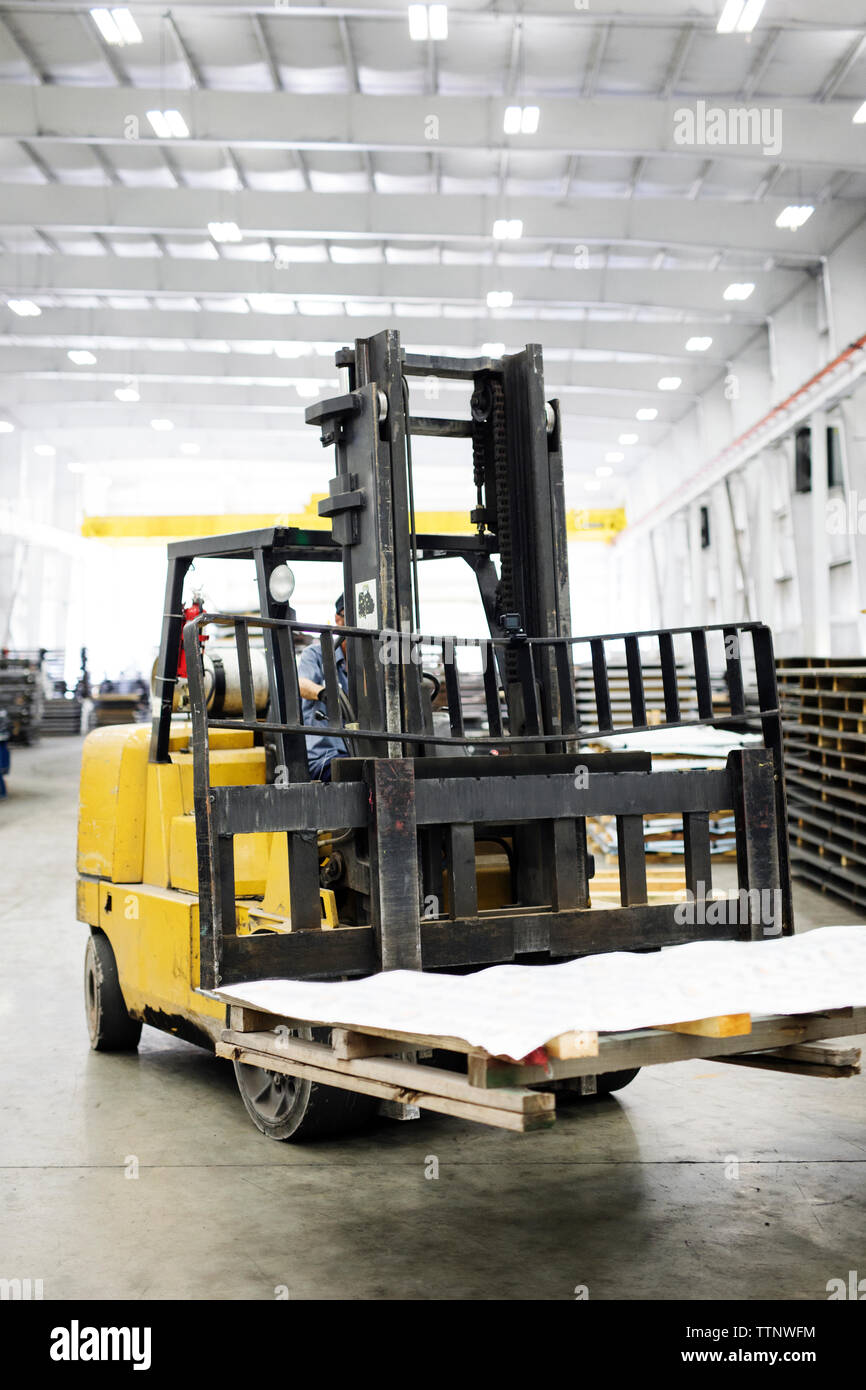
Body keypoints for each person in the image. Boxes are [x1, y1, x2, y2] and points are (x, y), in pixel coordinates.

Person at [296, 594, 349, 781]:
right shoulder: (316, 655)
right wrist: (323, 693)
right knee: (355, 773)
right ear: (338, 619)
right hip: (325, 756)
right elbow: (301, 684)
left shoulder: (370, 667)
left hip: (360, 752)